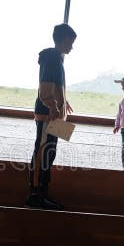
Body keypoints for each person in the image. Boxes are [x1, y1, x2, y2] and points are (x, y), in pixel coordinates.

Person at [26, 23, 77, 210]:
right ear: (62, 40)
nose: (72, 46)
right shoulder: (52, 59)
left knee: (49, 151)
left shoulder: (57, 58)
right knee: (43, 151)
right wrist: (54, 105)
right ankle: (35, 195)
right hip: (48, 114)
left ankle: (43, 191)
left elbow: (55, 86)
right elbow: (45, 89)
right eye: (70, 42)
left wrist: (63, 101)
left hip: (54, 113)